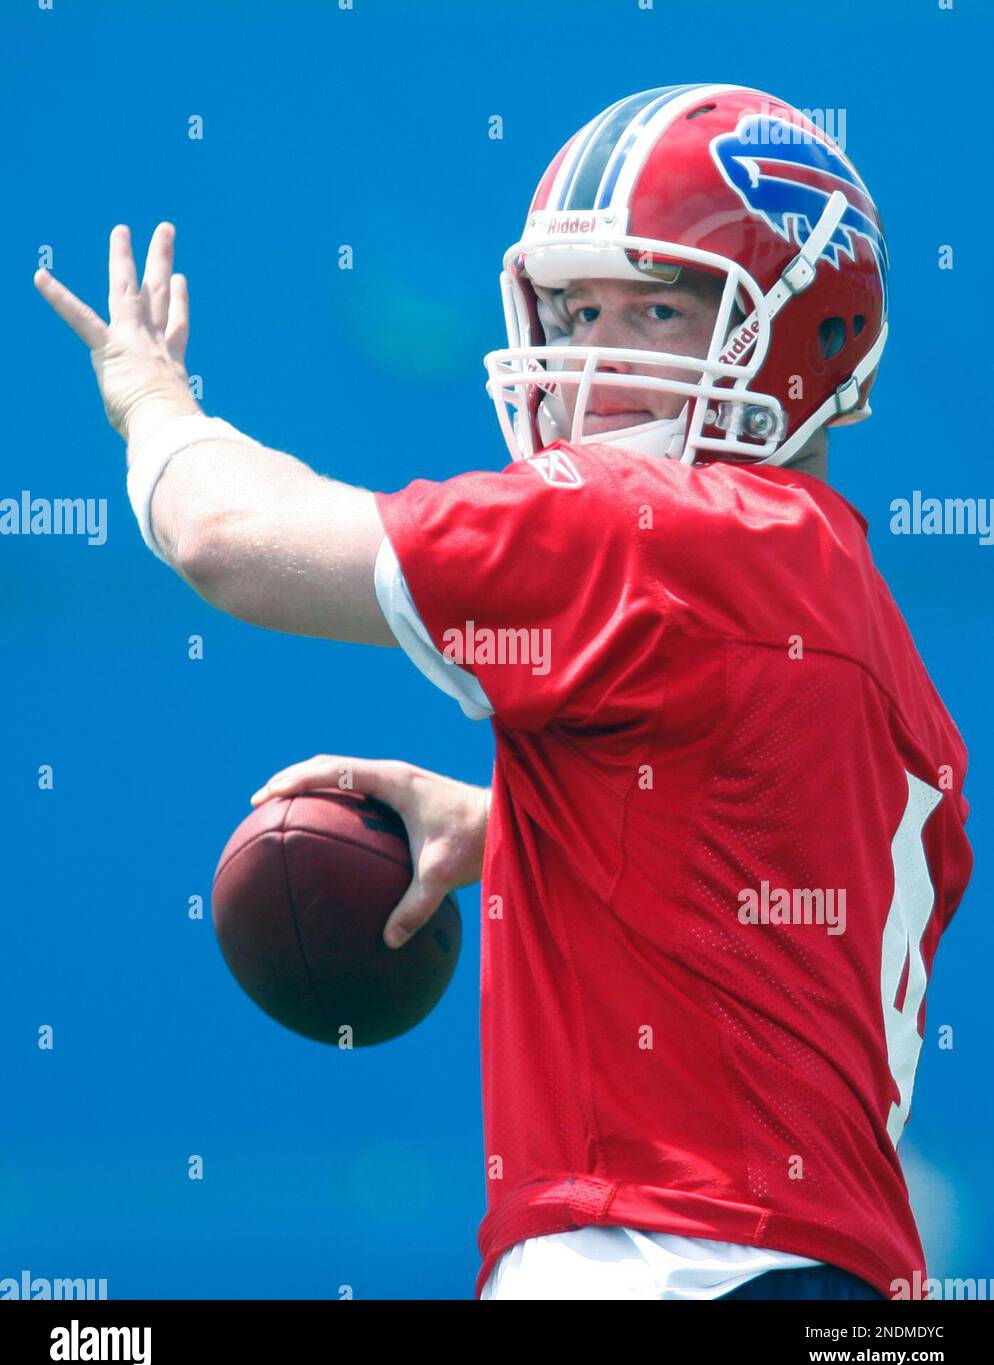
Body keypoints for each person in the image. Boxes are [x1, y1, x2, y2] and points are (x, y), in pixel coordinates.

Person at [35, 83, 973, 1302]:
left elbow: (225, 535)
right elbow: (759, 895)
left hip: (655, 1263)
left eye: (659, 308)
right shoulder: (857, 618)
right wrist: (504, 826)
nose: (595, 356)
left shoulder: (663, 533)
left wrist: (152, 402)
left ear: (819, 336)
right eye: (579, 310)